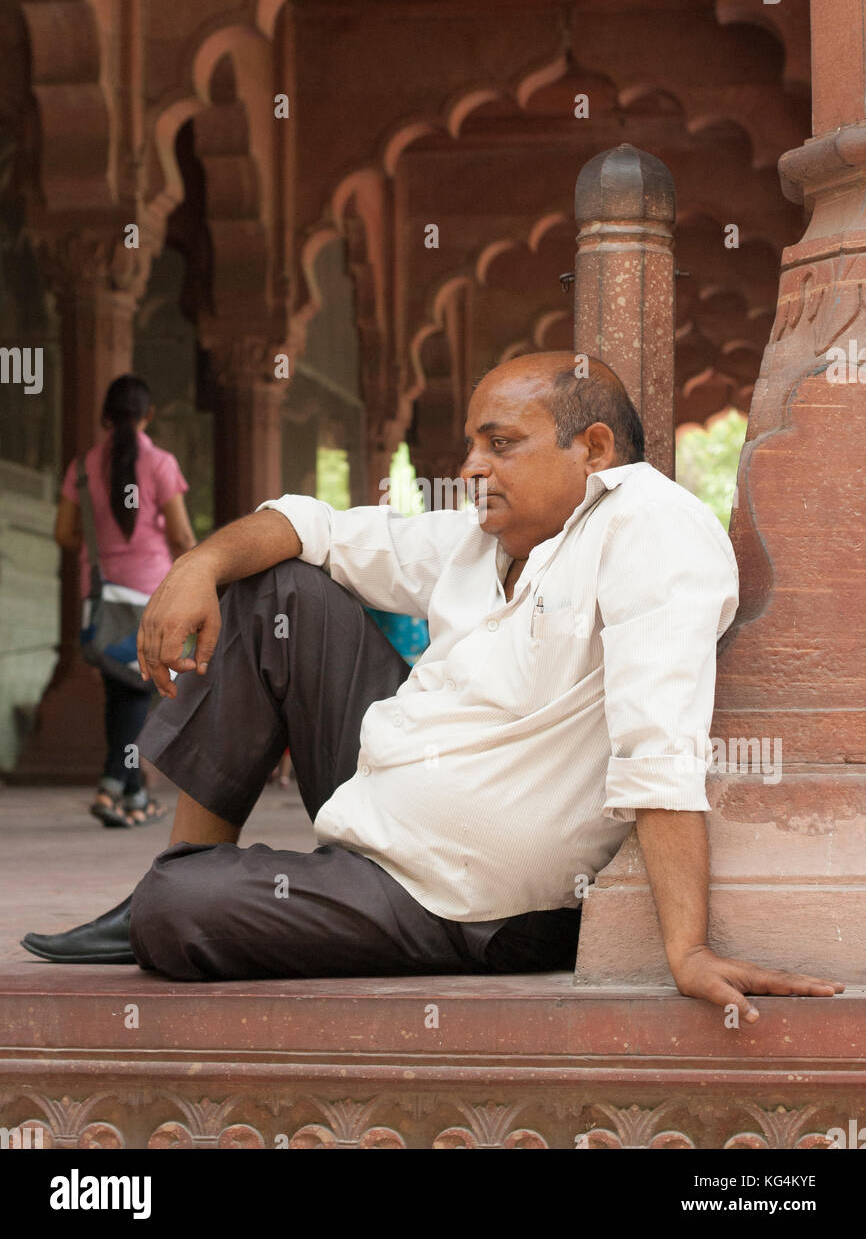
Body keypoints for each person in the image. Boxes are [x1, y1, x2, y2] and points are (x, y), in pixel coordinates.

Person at [24, 353, 845, 1020]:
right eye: (471, 446)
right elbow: (318, 527)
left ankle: (189, 893)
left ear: (593, 450)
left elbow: (658, 737)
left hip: (465, 897)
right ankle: (207, 871)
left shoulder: (649, 529)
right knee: (273, 587)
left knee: (179, 907)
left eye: (500, 444)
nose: (471, 467)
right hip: (384, 801)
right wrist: (196, 563)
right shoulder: (484, 535)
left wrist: (687, 949)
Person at [54, 374, 196, 828]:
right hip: (151, 593)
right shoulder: (161, 464)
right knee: (137, 688)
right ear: (147, 416)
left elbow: (64, 533)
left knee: (123, 691)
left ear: (105, 418)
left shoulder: (83, 467)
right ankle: (111, 784)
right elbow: (180, 534)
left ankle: (133, 797)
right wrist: (197, 577)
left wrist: (98, 551)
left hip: (102, 594)